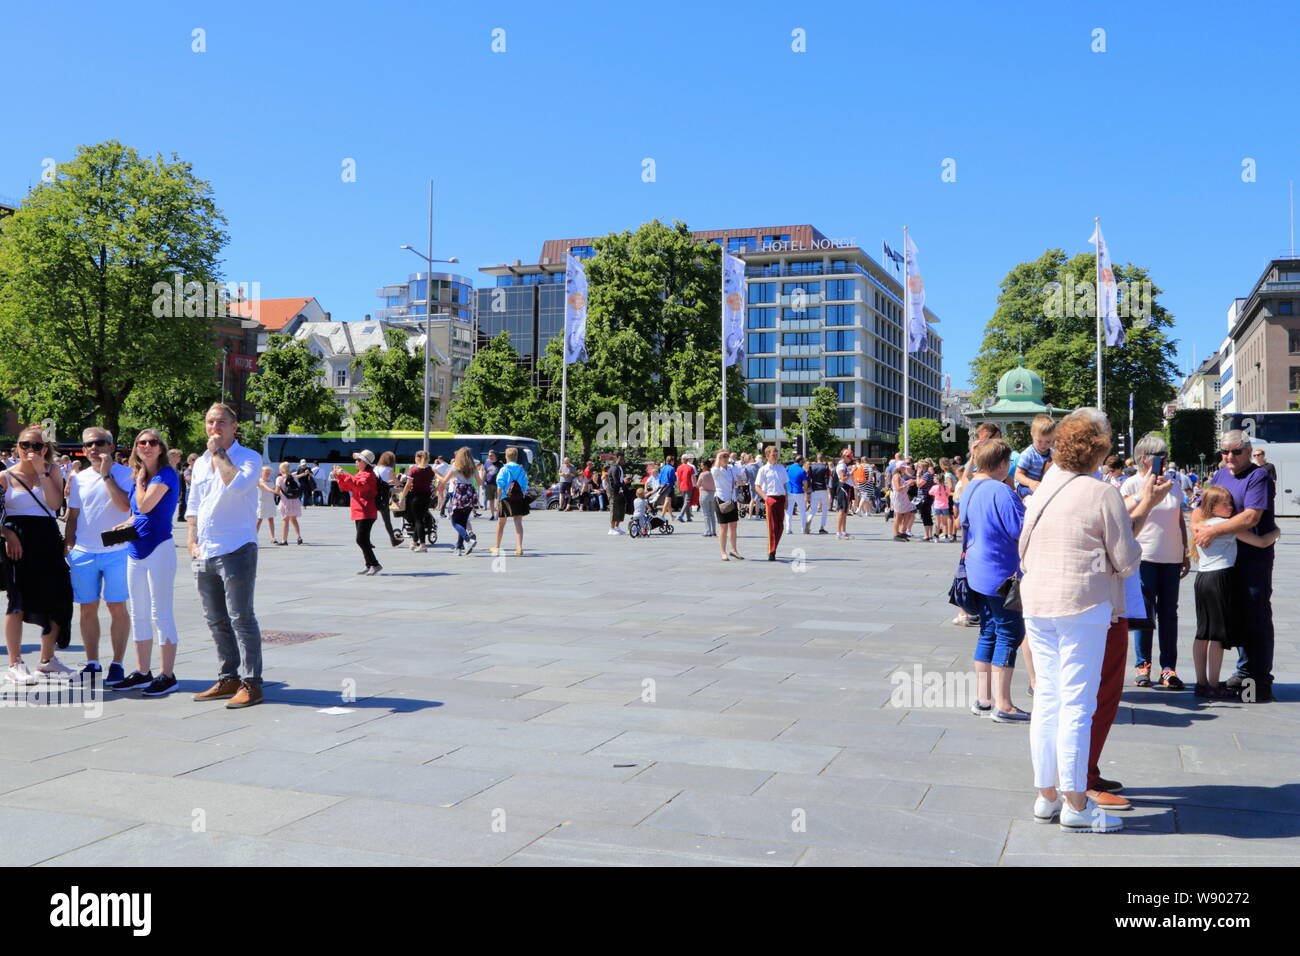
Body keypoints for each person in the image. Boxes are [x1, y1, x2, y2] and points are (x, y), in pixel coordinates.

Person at [1019, 408, 1151, 833]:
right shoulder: (1101, 493)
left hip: (1037, 601)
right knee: (1078, 703)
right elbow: (1126, 560)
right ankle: (1077, 804)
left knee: (1047, 700)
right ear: (1099, 450)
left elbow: (1023, 546)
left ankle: (1046, 796)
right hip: (1083, 605)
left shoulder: (1041, 490)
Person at [187, 403, 265, 709]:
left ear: (235, 427)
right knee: (215, 619)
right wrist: (191, 540)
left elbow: (237, 485)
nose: (214, 427)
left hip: (236, 548)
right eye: (209, 422)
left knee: (241, 617)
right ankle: (228, 676)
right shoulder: (201, 462)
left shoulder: (249, 458)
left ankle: (252, 682)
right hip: (204, 549)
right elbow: (193, 504)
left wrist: (220, 454)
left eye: (221, 422)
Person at [1195, 429, 1277, 703]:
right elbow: (1201, 507)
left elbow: (1250, 517)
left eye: (1235, 451)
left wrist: (1212, 531)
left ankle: (1259, 681)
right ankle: (1243, 672)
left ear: (1248, 451)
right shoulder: (1220, 475)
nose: (1229, 456)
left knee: (1256, 616)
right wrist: (1198, 526)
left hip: (1253, 560)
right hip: (1224, 565)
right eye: (1224, 451)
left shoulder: (1258, 476)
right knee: (1237, 617)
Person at [109, 428, 182, 696]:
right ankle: (142, 671)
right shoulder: (141, 476)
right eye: (142, 443)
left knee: (160, 612)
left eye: (152, 442)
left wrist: (139, 480)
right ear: (136, 448)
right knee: (138, 612)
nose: (147, 446)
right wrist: (125, 525)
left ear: (160, 448)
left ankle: (167, 674)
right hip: (135, 549)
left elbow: (147, 505)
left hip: (159, 548)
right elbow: (137, 512)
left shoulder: (165, 474)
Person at [960, 439, 1028, 722]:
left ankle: (983, 698)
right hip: (1002, 573)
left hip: (977, 571)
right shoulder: (1001, 491)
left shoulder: (970, 488)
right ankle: (1004, 704)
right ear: (1002, 464)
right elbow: (1020, 530)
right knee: (1010, 632)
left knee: (988, 631)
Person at [2, 425, 75, 683]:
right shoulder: (5, 476)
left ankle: (47, 660)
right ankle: (14, 663)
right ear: (17, 447)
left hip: (47, 538)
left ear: (45, 449)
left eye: (36, 446)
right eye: (24, 445)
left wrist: (43, 470)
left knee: (59, 598)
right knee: (18, 601)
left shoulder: (52, 470)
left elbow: (55, 505)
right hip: (17, 541)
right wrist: (7, 534)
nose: (29, 450)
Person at [64, 426, 133, 683]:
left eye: (100, 443)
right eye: (89, 445)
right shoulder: (79, 478)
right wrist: (69, 546)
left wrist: (106, 476)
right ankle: (92, 662)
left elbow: (125, 506)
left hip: (118, 549)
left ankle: (117, 663)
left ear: (111, 447)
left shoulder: (126, 474)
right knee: (87, 608)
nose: (94, 448)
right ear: (83, 450)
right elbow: (73, 515)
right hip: (84, 552)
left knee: (117, 607)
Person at [1121, 435, 1189, 690]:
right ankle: (1143, 665)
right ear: (1145, 459)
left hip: (1171, 556)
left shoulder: (1172, 483)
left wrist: (1184, 549)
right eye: (1161, 455)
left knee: (1169, 614)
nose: (1166, 459)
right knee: (1144, 614)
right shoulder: (1131, 485)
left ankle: (1168, 668)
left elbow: (1179, 517)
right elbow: (1123, 516)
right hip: (1145, 556)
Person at [334, 451, 381, 575]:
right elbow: (347, 487)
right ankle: (369, 564)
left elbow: (357, 485)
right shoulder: (361, 473)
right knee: (363, 539)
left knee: (361, 540)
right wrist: (339, 476)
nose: (356, 462)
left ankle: (375, 564)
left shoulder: (369, 475)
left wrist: (344, 474)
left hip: (366, 510)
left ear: (366, 463)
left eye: (359, 460)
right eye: (357, 460)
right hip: (359, 510)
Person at [439, 447, 480, 555]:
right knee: (463, 521)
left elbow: (444, 481)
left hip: (460, 494)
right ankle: (458, 547)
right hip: (471, 494)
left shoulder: (455, 467)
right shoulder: (473, 468)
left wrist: (436, 473)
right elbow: (479, 482)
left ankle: (468, 540)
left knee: (454, 521)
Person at [755, 445, 789, 561]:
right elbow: (757, 486)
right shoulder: (763, 469)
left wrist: (786, 500)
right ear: (767, 456)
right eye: (773, 454)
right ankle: (772, 551)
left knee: (780, 526)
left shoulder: (781, 468)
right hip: (770, 497)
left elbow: (785, 485)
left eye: (776, 454)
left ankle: (774, 546)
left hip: (781, 497)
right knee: (772, 526)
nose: (775, 456)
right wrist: (765, 498)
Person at [493, 446, 528, 556]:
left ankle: (497, 546)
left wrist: (497, 500)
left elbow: (500, 485)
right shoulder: (521, 470)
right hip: (518, 498)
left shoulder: (504, 469)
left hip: (505, 498)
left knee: (501, 523)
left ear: (506, 457)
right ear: (516, 457)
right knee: (518, 522)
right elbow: (525, 485)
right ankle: (519, 547)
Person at [711, 450, 743, 561]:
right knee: (723, 527)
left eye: (726, 456)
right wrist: (718, 457)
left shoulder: (732, 468)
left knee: (733, 526)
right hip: (721, 499)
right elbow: (714, 471)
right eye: (723, 456)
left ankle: (734, 549)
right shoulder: (716, 470)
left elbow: (740, 480)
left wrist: (739, 481)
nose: (725, 458)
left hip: (732, 499)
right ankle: (723, 551)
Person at [1014, 414, 1056, 497]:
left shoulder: (1052, 453)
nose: (1043, 445)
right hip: (1024, 486)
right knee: (1039, 496)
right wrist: (1030, 483)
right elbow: (1018, 475)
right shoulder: (1029, 454)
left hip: (1041, 485)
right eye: (1039, 441)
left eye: (1048, 442)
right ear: (1032, 435)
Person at [404, 450, 435, 552]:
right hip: (426, 496)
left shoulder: (413, 470)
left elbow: (408, 486)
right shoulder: (430, 469)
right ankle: (413, 542)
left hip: (415, 497)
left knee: (418, 521)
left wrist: (402, 497)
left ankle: (422, 544)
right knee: (420, 519)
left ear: (418, 458)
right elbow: (433, 481)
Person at [373, 451, 400, 547]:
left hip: (374, 496)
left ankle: (365, 539)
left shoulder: (376, 468)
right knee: (387, 521)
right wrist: (398, 480)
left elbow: (380, 482)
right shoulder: (389, 469)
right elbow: (396, 483)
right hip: (384, 497)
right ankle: (393, 540)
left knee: (370, 520)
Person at [276, 461, 305, 546]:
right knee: (294, 519)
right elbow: (298, 486)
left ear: (281, 469)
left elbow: (277, 491)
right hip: (294, 500)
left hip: (285, 501)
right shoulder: (294, 477)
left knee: (285, 520)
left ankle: (284, 540)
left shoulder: (279, 478)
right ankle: (298, 537)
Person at [891, 461, 916, 541]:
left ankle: (902, 531)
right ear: (900, 468)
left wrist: (908, 482)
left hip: (903, 497)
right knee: (898, 517)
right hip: (899, 498)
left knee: (908, 512)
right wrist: (908, 484)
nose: (905, 469)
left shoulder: (899, 475)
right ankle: (896, 534)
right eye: (904, 467)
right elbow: (898, 488)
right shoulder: (896, 476)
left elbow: (902, 486)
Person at [784, 455, 810, 534]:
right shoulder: (802, 471)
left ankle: (788, 529)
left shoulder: (788, 468)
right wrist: (806, 493)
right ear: (800, 461)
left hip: (789, 492)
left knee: (788, 511)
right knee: (802, 511)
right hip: (799, 492)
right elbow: (805, 483)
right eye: (803, 461)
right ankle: (804, 529)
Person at [930, 461, 954, 543]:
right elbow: (948, 493)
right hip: (945, 506)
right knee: (944, 522)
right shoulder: (946, 487)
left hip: (937, 506)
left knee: (937, 522)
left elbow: (930, 493)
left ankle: (936, 536)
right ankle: (946, 536)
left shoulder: (934, 487)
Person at [806, 453, 830, 534]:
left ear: (816, 458)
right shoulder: (825, 467)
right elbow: (827, 479)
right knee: (824, 509)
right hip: (823, 489)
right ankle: (822, 527)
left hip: (814, 489)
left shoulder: (811, 467)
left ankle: (809, 518)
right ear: (823, 458)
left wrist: (809, 489)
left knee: (813, 509)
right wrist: (828, 489)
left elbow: (808, 478)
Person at [834, 448, 855, 538]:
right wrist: (852, 472)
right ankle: (839, 531)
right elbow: (843, 478)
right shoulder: (841, 466)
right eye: (850, 458)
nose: (851, 460)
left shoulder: (843, 465)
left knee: (845, 511)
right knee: (842, 510)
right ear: (845, 456)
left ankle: (843, 531)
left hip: (846, 488)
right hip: (843, 488)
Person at [255, 466, 279, 544]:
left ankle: (273, 537)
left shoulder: (271, 481)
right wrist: (274, 491)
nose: (267, 474)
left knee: (271, 520)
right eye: (266, 472)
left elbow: (276, 489)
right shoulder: (259, 481)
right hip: (262, 503)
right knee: (259, 520)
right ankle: (253, 538)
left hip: (270, 502)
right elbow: (267, 488)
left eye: (269, 473)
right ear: (262, 473)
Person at [606, 453, 626, 534]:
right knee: (614, 509)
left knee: (621, 509)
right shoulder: (614, 468)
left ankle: (617, 527)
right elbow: (616, 481)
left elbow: (620, 480)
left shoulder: (620, 467)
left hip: (619, 491)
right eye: (620, 459)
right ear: (617, 458)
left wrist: (624, 486)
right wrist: (624, 484)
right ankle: (611, 528)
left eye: (623, 459)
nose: (622, 461)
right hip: (613, 492)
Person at [698, 457, 718, 538]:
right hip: (713, 494)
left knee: (706, 514)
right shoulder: (713, 473)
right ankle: (713, 531)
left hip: (704, 494)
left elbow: (698, 484)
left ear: (706, 466)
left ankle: (707, 531)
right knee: (712, 514)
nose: (701, 467)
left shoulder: (703, 474)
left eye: (702, 465)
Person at [675, 456, 696, 522]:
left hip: (682, 486)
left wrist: (678, 487)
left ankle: (688, 517)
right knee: (687, 501)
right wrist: (695, 485)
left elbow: (678, 479)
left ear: (682, 460)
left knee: (686, 501)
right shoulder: (690, 468)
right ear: (687, 460)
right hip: (688, 486)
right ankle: (681, 515)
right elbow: (693, 477)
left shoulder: (679, 468)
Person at [171, 449, 188, 523]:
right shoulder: (167, 467)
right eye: (178, 456)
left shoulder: (175, 467)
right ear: (172, 456)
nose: (180, 458)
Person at [481, 451, 500, 519]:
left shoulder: (500, 464)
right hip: (489, 484)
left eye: (491, 455)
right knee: (491, 500)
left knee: (498, 500)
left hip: (498, 485)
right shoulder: (486, 464)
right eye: (489, 455)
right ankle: (492, 515)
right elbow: (484, 474)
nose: (490, 457)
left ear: (495, 456)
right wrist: (482, 483)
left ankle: (497, 515)